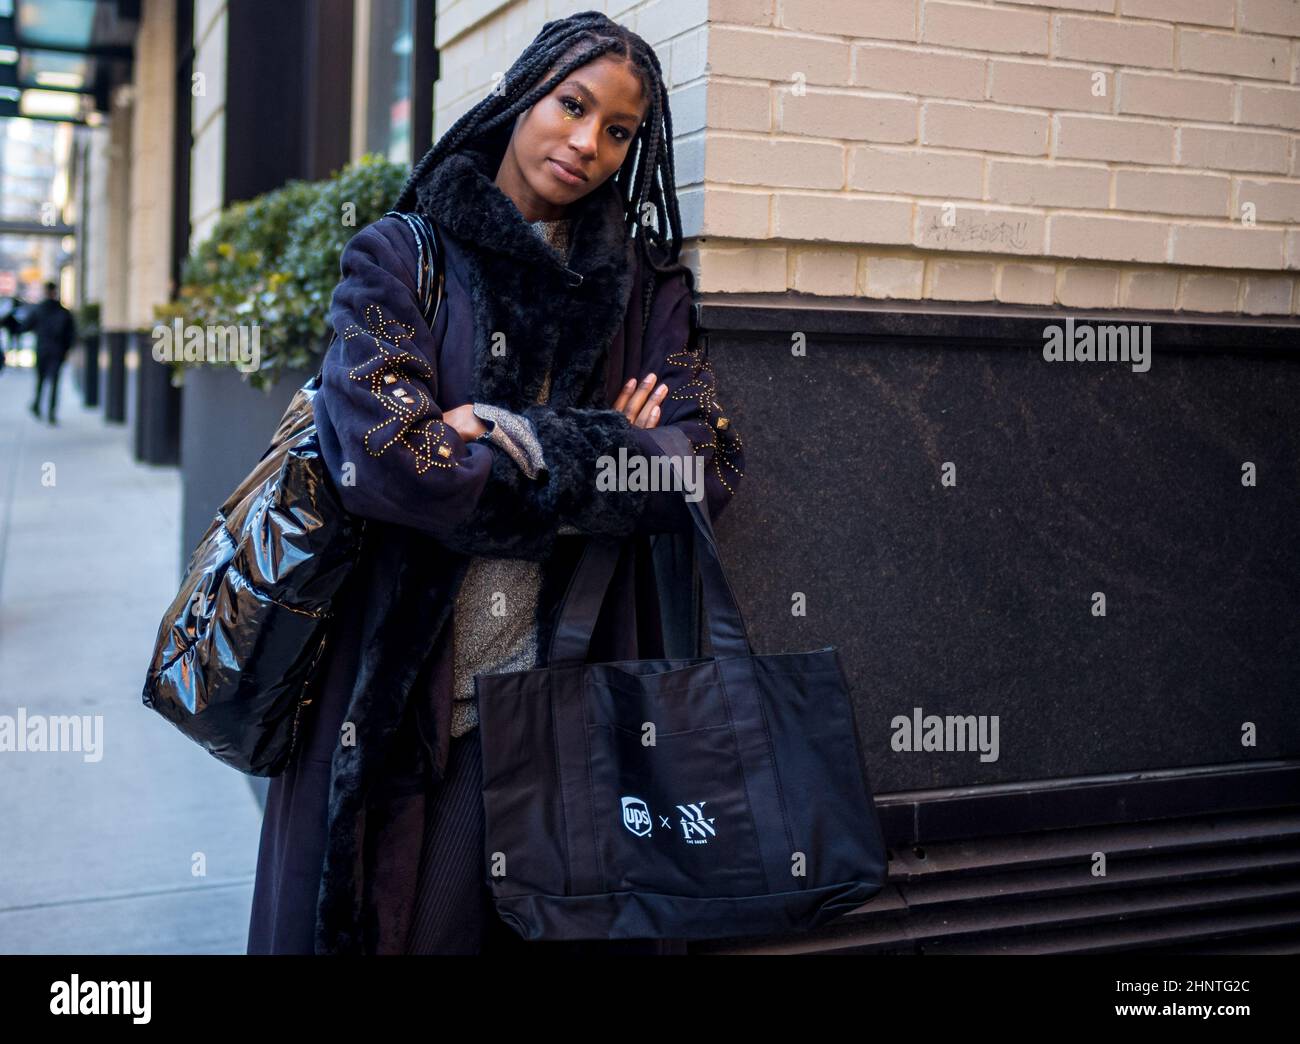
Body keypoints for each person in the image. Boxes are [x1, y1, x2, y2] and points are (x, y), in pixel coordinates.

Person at [246, 10, 745, 956]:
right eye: (572, 105)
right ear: (521, 96)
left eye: (619, 130)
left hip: (553, 691)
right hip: (393, 687)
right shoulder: (399, 257)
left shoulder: (645, 292)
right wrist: (607, 451)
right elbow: (388, 460)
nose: (588, 143)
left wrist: (501, 431)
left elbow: (707, 460)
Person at [18, 281, 76, 425]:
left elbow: (24, 326)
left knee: (41, 380)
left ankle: (38, 406)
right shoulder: (62, 312)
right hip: (57, 351)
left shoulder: (40, 309)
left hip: (43, 349)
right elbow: (71, 335)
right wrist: (66, 350)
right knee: (53, 382)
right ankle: (50, 412)